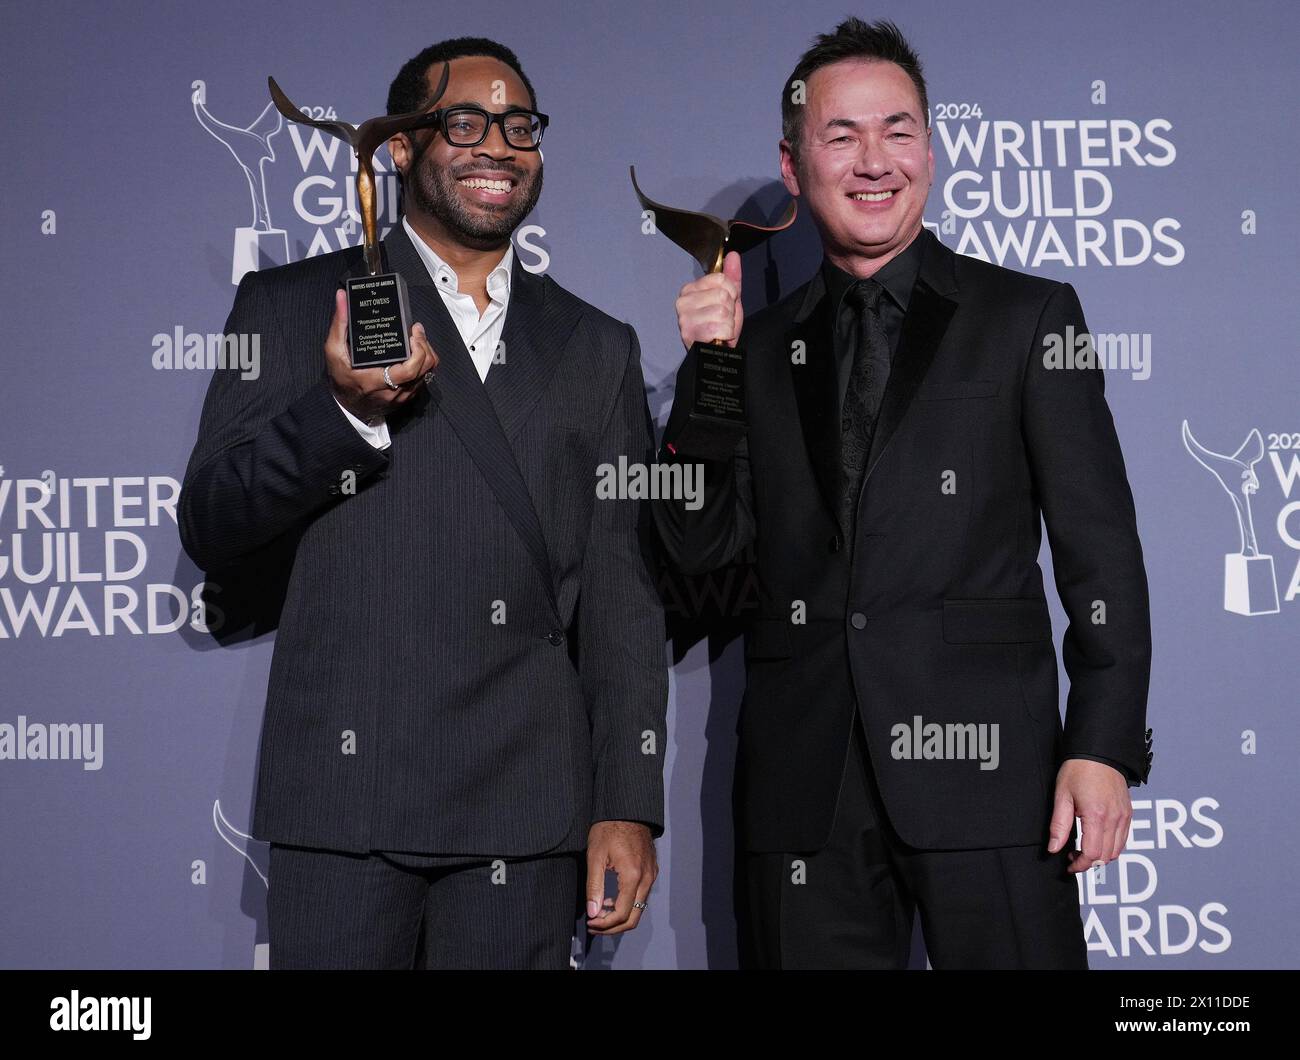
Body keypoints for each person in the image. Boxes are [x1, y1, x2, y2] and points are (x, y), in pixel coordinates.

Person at [653, 18, 1152, 969]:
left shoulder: (1031, 315)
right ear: (795, 166)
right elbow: (697, 573)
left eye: (899, 130)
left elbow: (1101, 547)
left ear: (932, 146)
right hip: (805, 794)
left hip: (995, 781)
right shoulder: (750, 354)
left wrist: (1103, 744)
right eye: (841, 136)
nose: (874, 160)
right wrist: (707, 382)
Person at [179, 37, 667, 969]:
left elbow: (621, 597)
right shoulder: (288, 308)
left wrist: (627, 801)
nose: (499, 145)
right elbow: (211, 522)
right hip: (344, 798)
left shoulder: (597, 346)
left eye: (519, 125)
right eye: (466, 122)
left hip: (526, 809)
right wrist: (340, 412)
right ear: (399, 148)